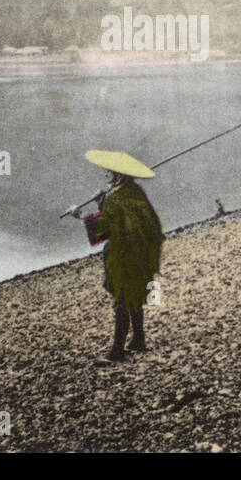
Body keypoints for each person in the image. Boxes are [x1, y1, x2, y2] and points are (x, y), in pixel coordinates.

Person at [75, 151, 164, 362]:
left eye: (109, 173)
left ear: (118, 176)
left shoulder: (115, 197)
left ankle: (117, 351)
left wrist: (80, 215)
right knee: (133, 293)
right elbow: (130, 220)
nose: (106, 175)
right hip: (141, 253)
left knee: (122, 299)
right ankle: (138, 340)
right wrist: (102, 202)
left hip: (124, 255)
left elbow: (105, 228)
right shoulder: (135, 191)